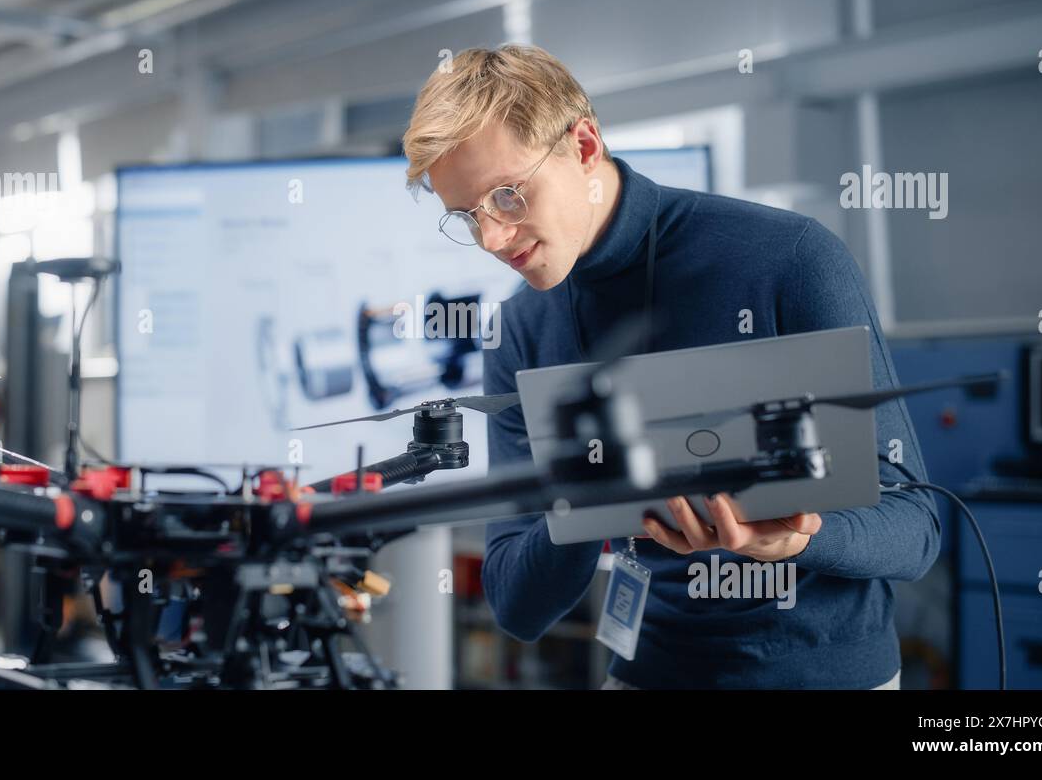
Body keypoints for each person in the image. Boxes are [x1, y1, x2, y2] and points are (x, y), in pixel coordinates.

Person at [400, 45, 936, 689]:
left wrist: (801, 538)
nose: (491, 238)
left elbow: (916, 528)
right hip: (650, 671)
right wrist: (585, 498)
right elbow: (517, 606)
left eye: (508, 195)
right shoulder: (520, 330)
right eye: (465, 215)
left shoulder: (788, 260)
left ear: (586, 146)